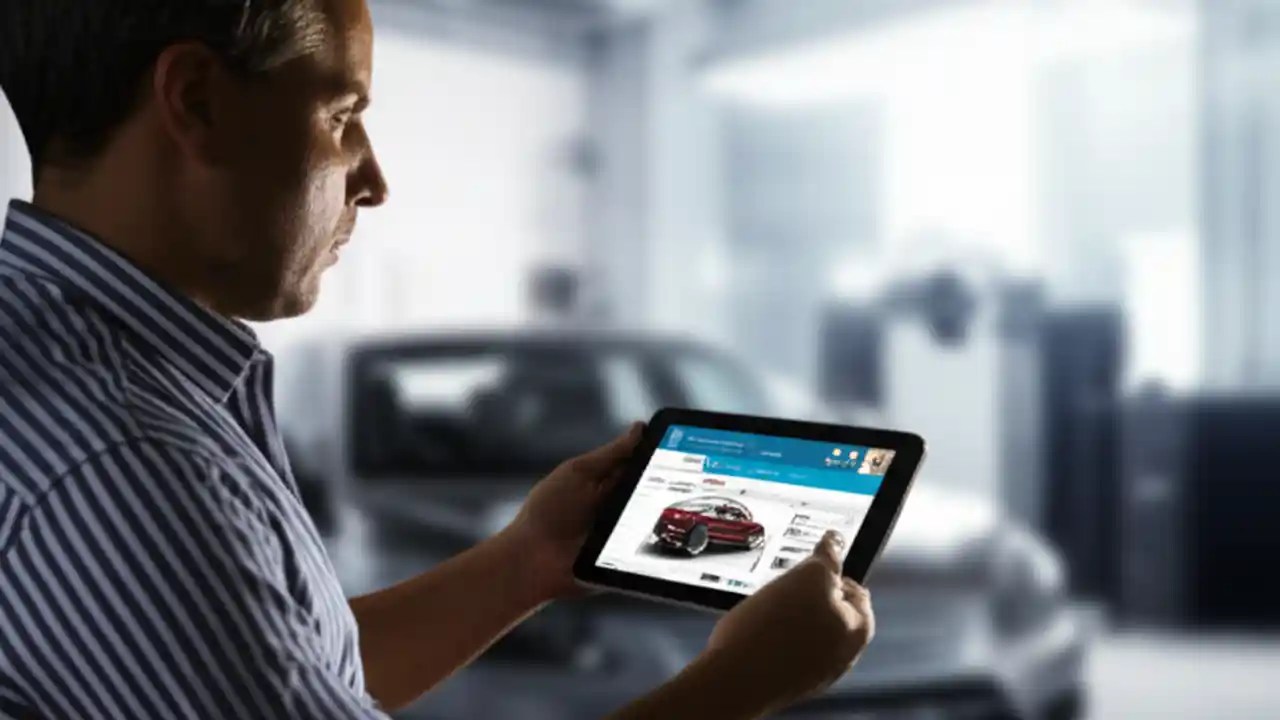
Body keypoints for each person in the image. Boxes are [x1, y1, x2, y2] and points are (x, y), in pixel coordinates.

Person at [0, 1, 875, 718]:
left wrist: (526, 562)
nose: (372, 179)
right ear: (195, 101)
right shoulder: (126, 454)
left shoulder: (73, 356)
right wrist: (741, 683)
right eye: (342, 116)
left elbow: (276, 675)